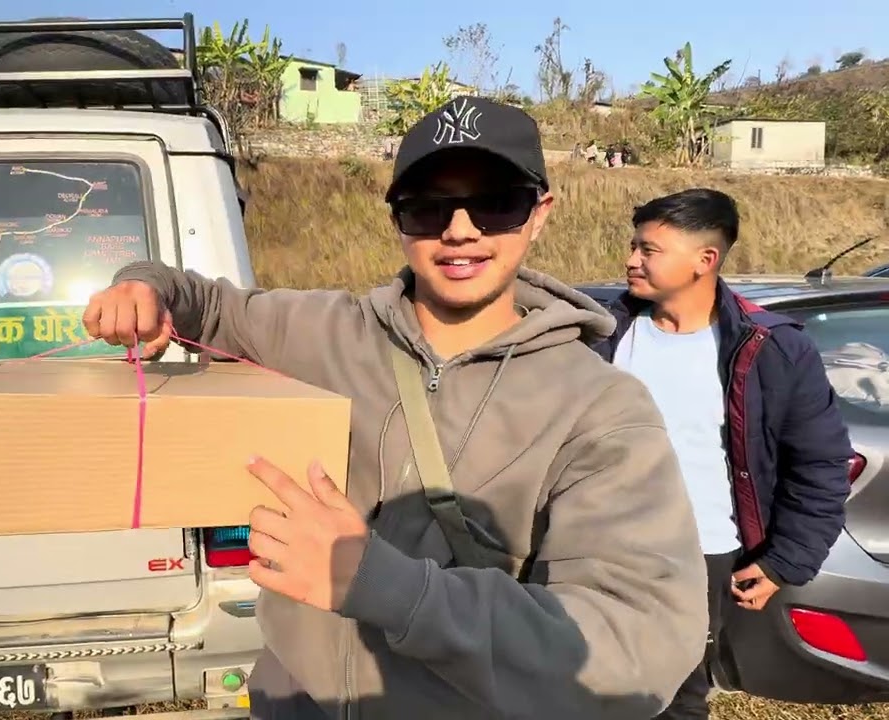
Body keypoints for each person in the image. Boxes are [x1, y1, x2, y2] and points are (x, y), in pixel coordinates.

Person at [82, 96, 708, 718]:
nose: (459, 230)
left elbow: (634, 646)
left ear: (539, 213)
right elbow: (208, 304)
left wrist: (390, 589)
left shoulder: (599, 407)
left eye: (496, 203)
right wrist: (144, 286)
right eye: (427, 206)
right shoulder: (324, 332)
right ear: (397, 219)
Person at [592, 188, 854, 720]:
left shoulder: (771, 348)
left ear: (704, 260)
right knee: (581, 682)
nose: (631, 259)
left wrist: (785, 560)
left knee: (676, 697)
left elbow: (820, 464)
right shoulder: (602, 335)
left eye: (649, 249)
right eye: (634, 245)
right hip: (596, 544)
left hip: (702, 557)